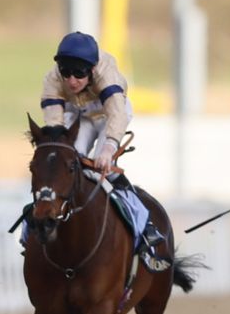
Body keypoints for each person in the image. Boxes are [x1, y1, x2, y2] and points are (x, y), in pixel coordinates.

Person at [36, 31, 169, 272]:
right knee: (64, 166)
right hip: (80, 115)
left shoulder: (106, 73)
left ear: (92, 70)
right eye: (66, 72)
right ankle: (36, 227)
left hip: (111, 113)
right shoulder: (52, 80)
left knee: (102, 168)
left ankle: (146, 227)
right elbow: (55, 127)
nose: (72, 81)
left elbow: (117, 114)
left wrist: (108, 147)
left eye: (79, 74)